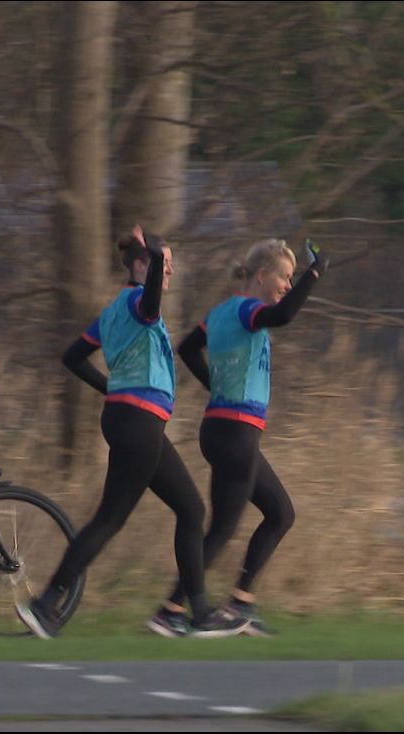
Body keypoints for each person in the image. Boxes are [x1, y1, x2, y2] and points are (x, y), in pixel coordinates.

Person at [16, 227, 249, 640]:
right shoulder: (140, 304)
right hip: (138, 423)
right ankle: (47, 604)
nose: (169, 272)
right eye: (164, 264)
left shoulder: (114, 310)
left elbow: (73, 357)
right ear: (142, 265)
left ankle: (193, 613)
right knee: (110, 518)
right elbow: (150, 301)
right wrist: (156, 259)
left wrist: (112, 389)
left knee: (191, 510)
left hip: (133, 420)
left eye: (170, 266)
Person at [146, 238, 327, 637]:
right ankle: (170, 610)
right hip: (236, 434)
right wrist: (315, 273)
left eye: (292, 278)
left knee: (280, 513)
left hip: (222, 429)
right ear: (261, 276)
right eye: (284, 277)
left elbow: (187, 348)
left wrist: (216, 385)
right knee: (222, 530)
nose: (287, 285)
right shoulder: (249, 310)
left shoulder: (221, 312)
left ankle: (240, 602)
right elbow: (284, 315)